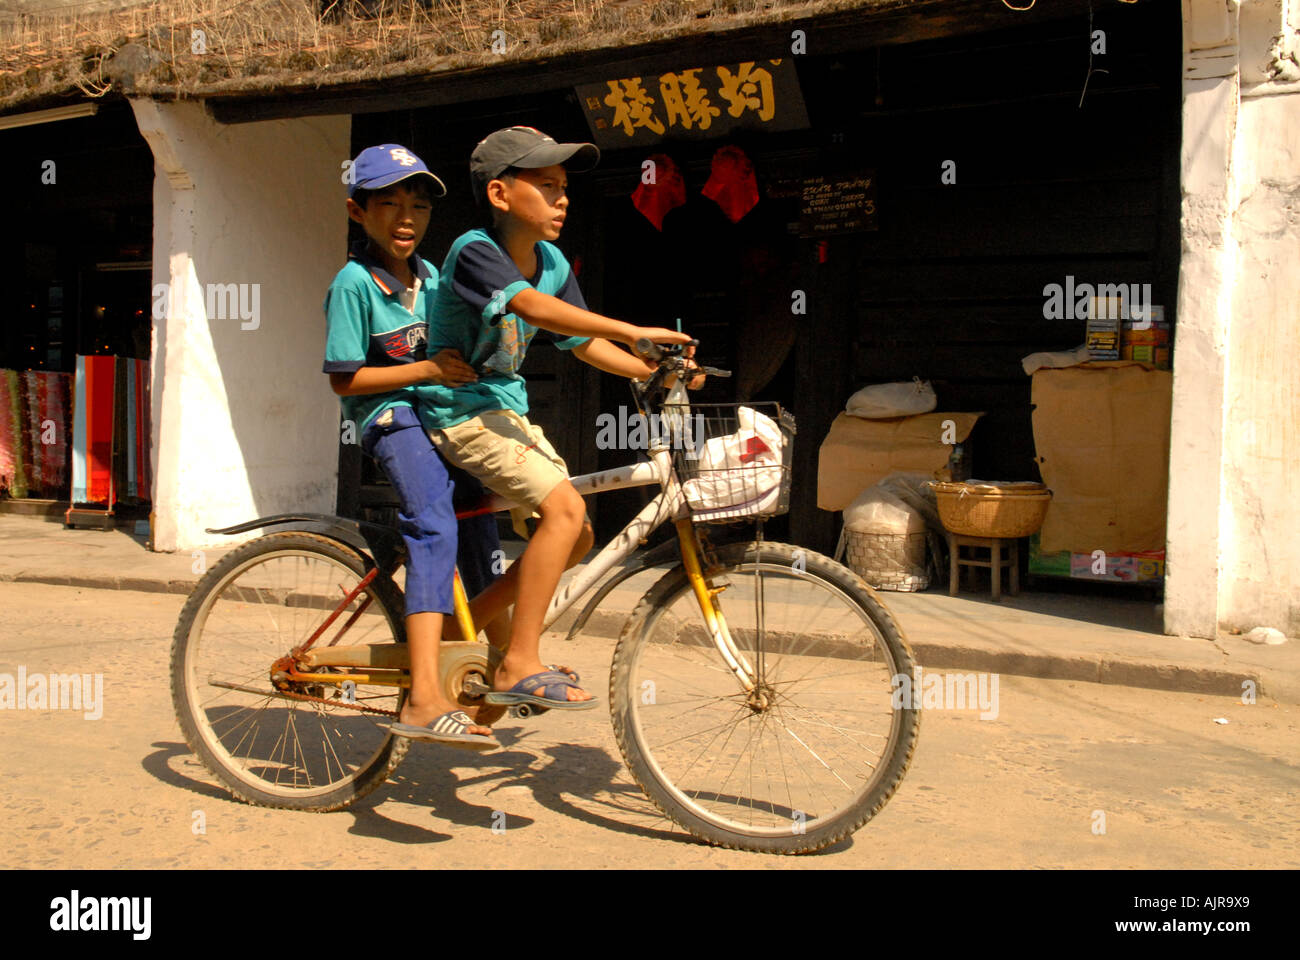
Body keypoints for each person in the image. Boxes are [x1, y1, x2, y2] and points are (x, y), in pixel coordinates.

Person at [419, 125, 701, 712]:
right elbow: (531, 307)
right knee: (567, 509)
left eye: (564, 187)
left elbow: (577, 338)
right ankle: (518, 661)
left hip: (505, 415)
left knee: (581, 532)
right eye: (545, 185)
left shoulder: (549, 259)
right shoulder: (475, 251)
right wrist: (631, 329)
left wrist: (649, 368)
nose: (562, 198)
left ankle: (462, 629)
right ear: (500, 195)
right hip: (459, 415)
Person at [322, 143, 497, 750]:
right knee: (433, 524)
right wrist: (425, 371)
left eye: (418, 206)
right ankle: (424, 696)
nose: (406, 218)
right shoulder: (352, 284)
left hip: (439, 416)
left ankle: (478, 658)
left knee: (482, 520)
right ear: (357, 210)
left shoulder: (432, 278)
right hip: (388, 417)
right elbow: (346, 379)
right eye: (389, 203)